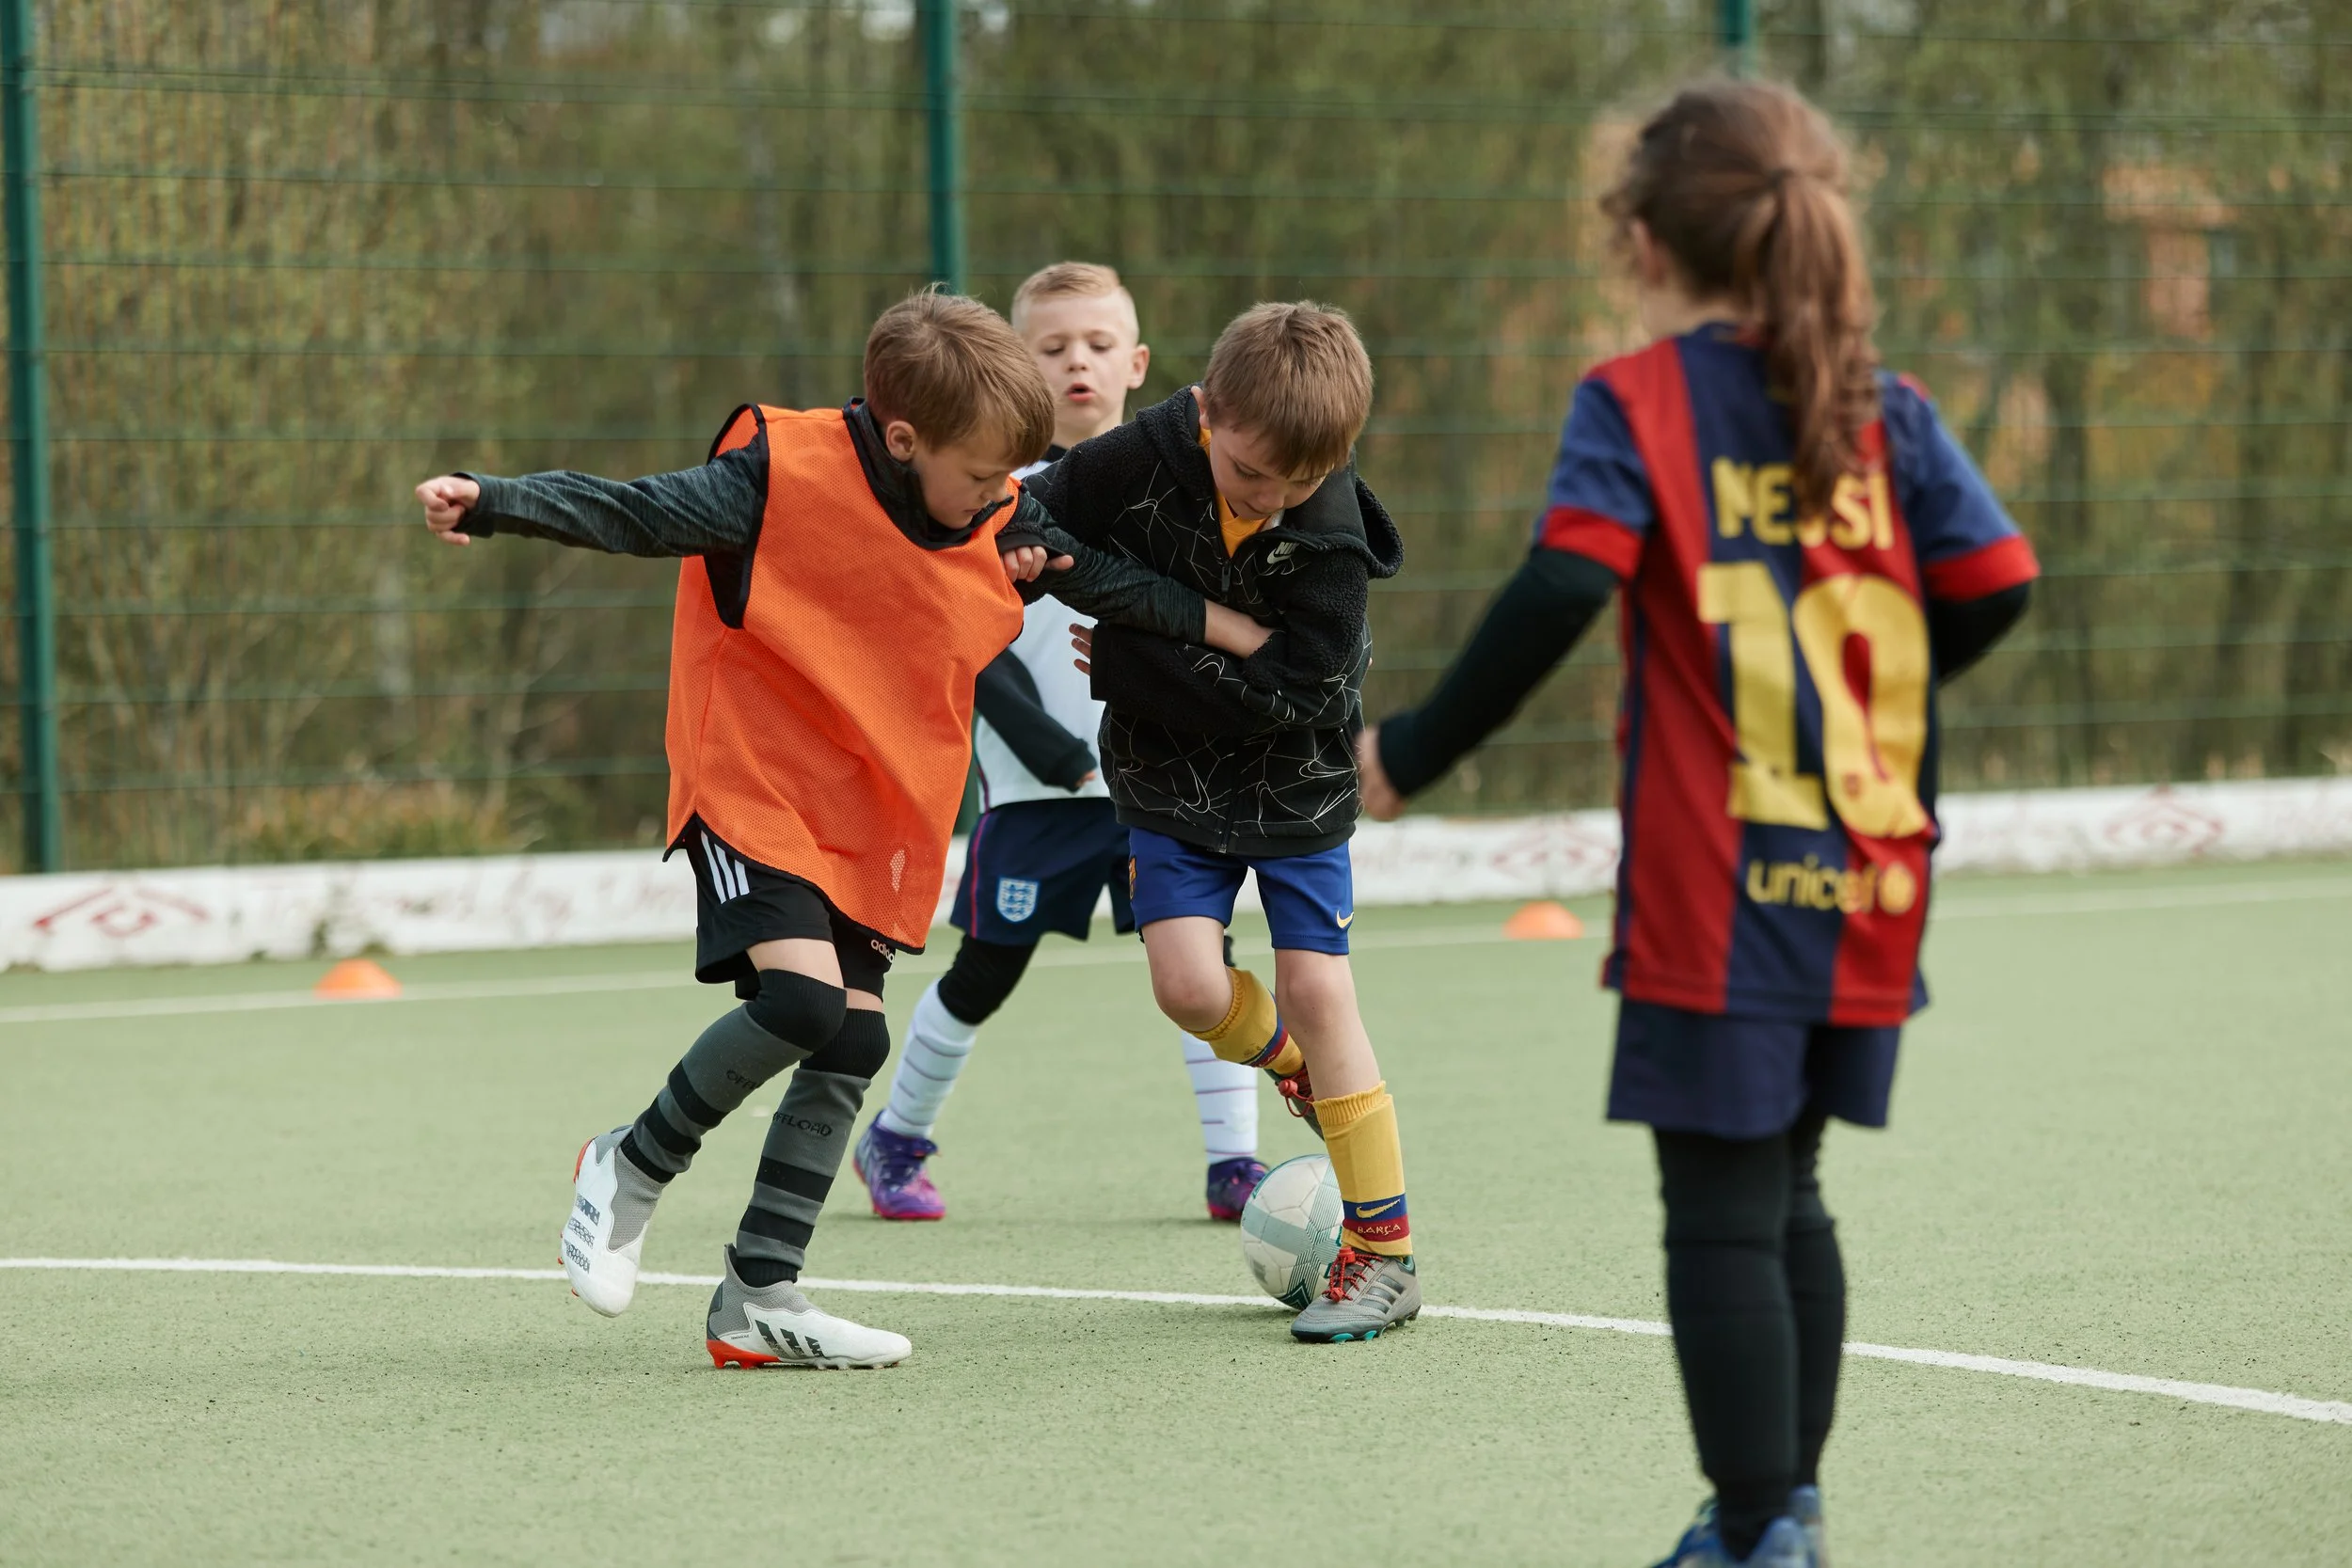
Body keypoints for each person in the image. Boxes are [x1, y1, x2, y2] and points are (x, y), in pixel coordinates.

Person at [1357, 82, 2037, 1564]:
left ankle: (1752, 1534)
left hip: (1720, 872)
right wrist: (1864, 699)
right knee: (1788, 1183)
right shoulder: (1881, 406)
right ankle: (1780, 1509)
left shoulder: (1642, 400)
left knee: (1722, 1212)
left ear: (1642, 242)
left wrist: (1407, 750)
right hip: (1862, 860)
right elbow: (1995, 582)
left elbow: (1563, 581)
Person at [413, 290, 1272, 1370]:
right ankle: (628, 1162)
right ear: (904, 438)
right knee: (806, 1001)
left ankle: (757, 1295)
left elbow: (1107, 581)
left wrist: (1241, 632)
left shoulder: (996, 508)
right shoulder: (777, 475)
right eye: (975, 475)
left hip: (875, 803)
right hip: (752, 775)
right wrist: (494, 500)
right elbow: (634, 511)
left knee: (855, 1034)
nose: (996, 499)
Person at [1028, 301, 1420, 1343]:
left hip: (1298, 779)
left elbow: (1302, 690)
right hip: (1166, 769)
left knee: (1318, 985)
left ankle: (1383, 1255)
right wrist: (1200, 619)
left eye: (1300, 482)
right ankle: (1288, 1062)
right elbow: (1033, 524)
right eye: (1253, 476)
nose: (1276, 499)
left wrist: (1127, 660)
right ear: (1206, 413)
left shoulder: (1329, 533)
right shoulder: (1144, 452)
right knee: (1187, 985)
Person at [858, 262, 1272, 1225]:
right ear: (1012, 368)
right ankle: (895, 1136)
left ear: (1135, 365)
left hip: (1158, 786)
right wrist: (1051, 749)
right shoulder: (984, 492)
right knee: (984, 970)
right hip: (1040, 793)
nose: (1075, 363)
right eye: (1050, 349)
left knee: (1201, 960)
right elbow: (967, 644)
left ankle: (1235, 1163)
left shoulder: (1181, 492)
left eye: (1095, 346)